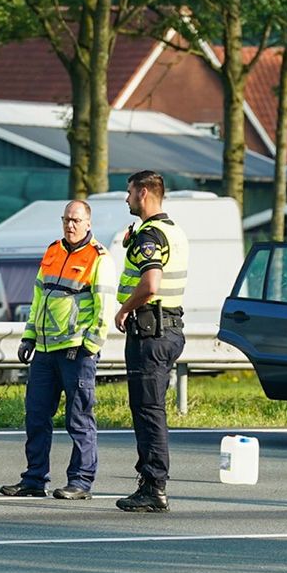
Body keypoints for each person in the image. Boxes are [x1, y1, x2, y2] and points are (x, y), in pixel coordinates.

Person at [0, 200, 115, 500]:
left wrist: (90, 346)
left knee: (79, 419)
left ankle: (80, 481)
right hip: (45, 350)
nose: (70, 225)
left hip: (77, 352)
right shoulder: (52, 251)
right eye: (66, 219)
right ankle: (34, 479)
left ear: (88, 223)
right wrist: (28, 337)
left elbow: (104, 309)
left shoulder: (99, 258)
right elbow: (38, 299)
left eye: (76, 220)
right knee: (36, 416)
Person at [113, 171, 188, 513]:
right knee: (149, 409)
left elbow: (151, 283)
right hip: (166, 329)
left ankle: (154, 487)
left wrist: (124, 309)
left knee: (148, 411)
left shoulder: (152, 234)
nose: (126, 199)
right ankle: (150, 482)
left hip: (151, 332)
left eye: (129, 193)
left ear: (144, 193)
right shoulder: (173, 230)